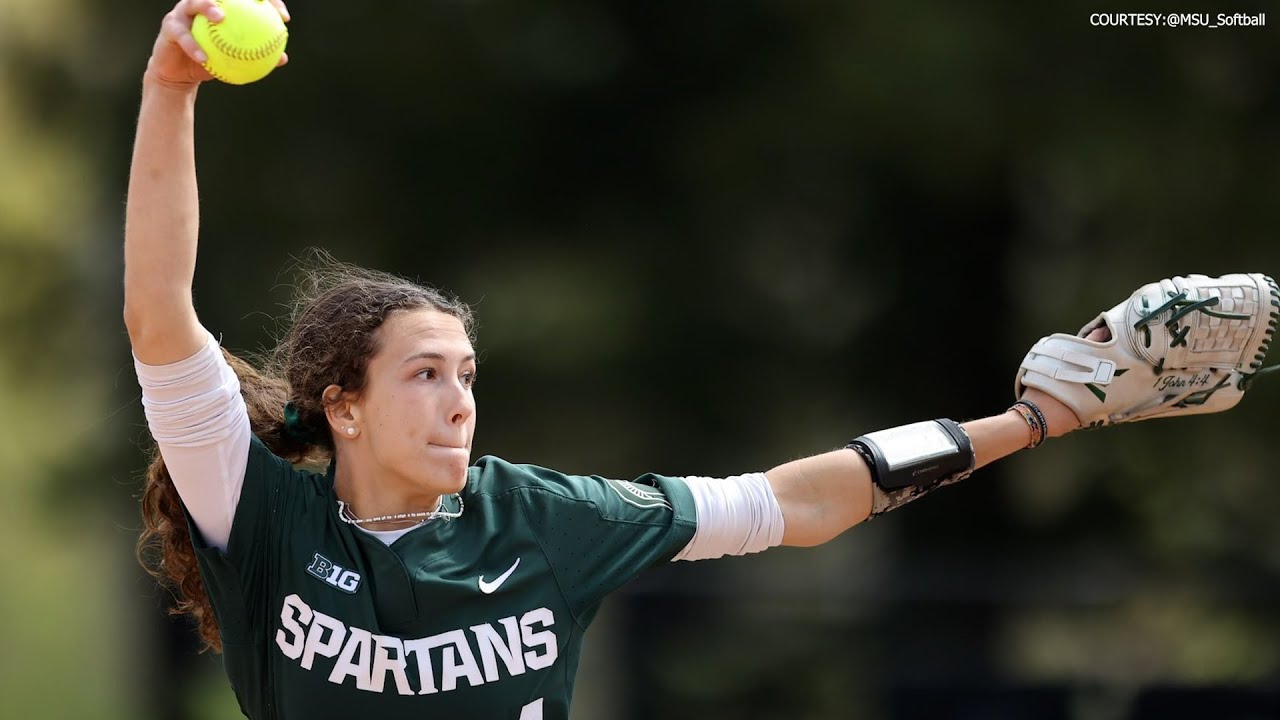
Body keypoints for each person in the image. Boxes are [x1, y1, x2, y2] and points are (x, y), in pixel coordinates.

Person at [125, 2, 1278, 718]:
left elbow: (792, 504)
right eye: (424, 374)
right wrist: (171, 89)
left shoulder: (540, 522)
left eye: (467, 374)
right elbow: (158, 315)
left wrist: (1037, 420)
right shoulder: (264, 523)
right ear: (343, 406)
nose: (458, 400)